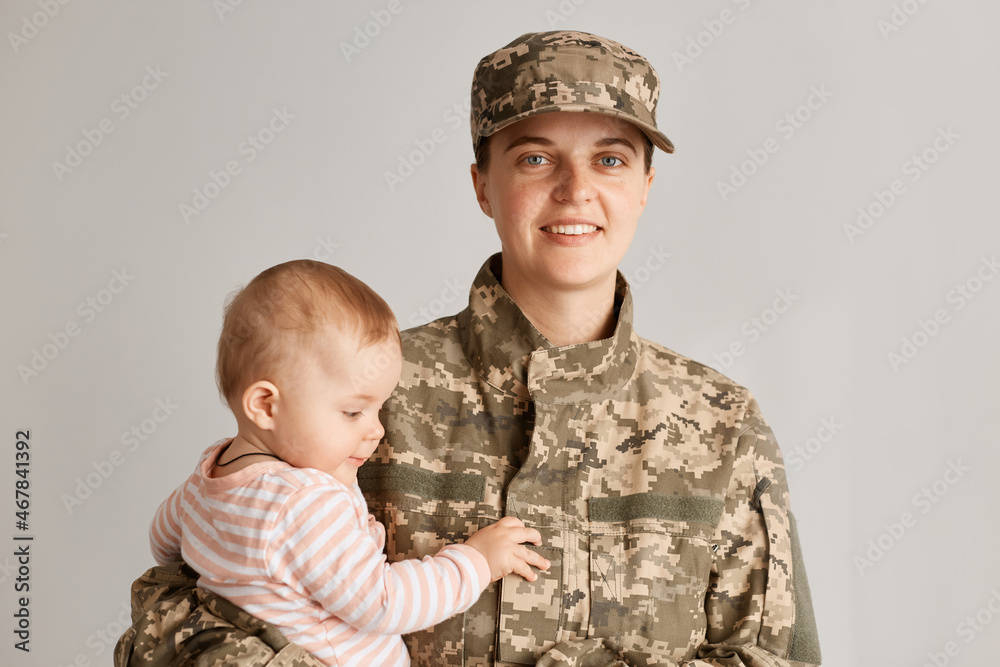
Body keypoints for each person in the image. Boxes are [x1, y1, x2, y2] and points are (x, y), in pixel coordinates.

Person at [116, 31, 820, 667]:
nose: (576, 190)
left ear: (645, 188)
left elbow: (777, 658)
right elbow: (175, 612)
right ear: (483, 184)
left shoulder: (723, 422)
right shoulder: (362, 388)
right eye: (536, 157)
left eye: (610, 159)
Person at [143, 260, 548, 667]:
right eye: (353, 413)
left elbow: (163, 542)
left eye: (379, 409)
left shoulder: (208, 476)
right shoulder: (304, 503)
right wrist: (476, 561)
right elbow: (384, 603)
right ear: (265, 406)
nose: (376, 430)